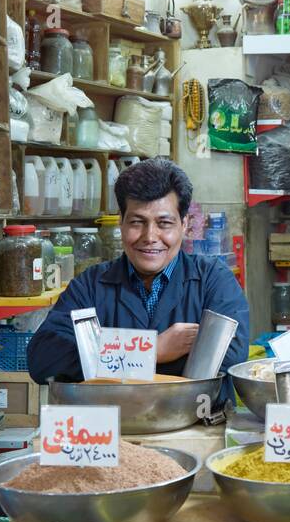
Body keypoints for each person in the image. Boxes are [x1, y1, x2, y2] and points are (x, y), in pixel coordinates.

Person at [26, 159, 249, 397]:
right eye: (137, 222)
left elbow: (228, 354)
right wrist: (153, 351)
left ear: (184, 225)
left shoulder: (213, 280)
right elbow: (44, 358)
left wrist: (103, 359)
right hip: (112, 426)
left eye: (164, 223)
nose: (150, 236)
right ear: (121, 222)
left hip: (195, 425)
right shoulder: (90, 285)